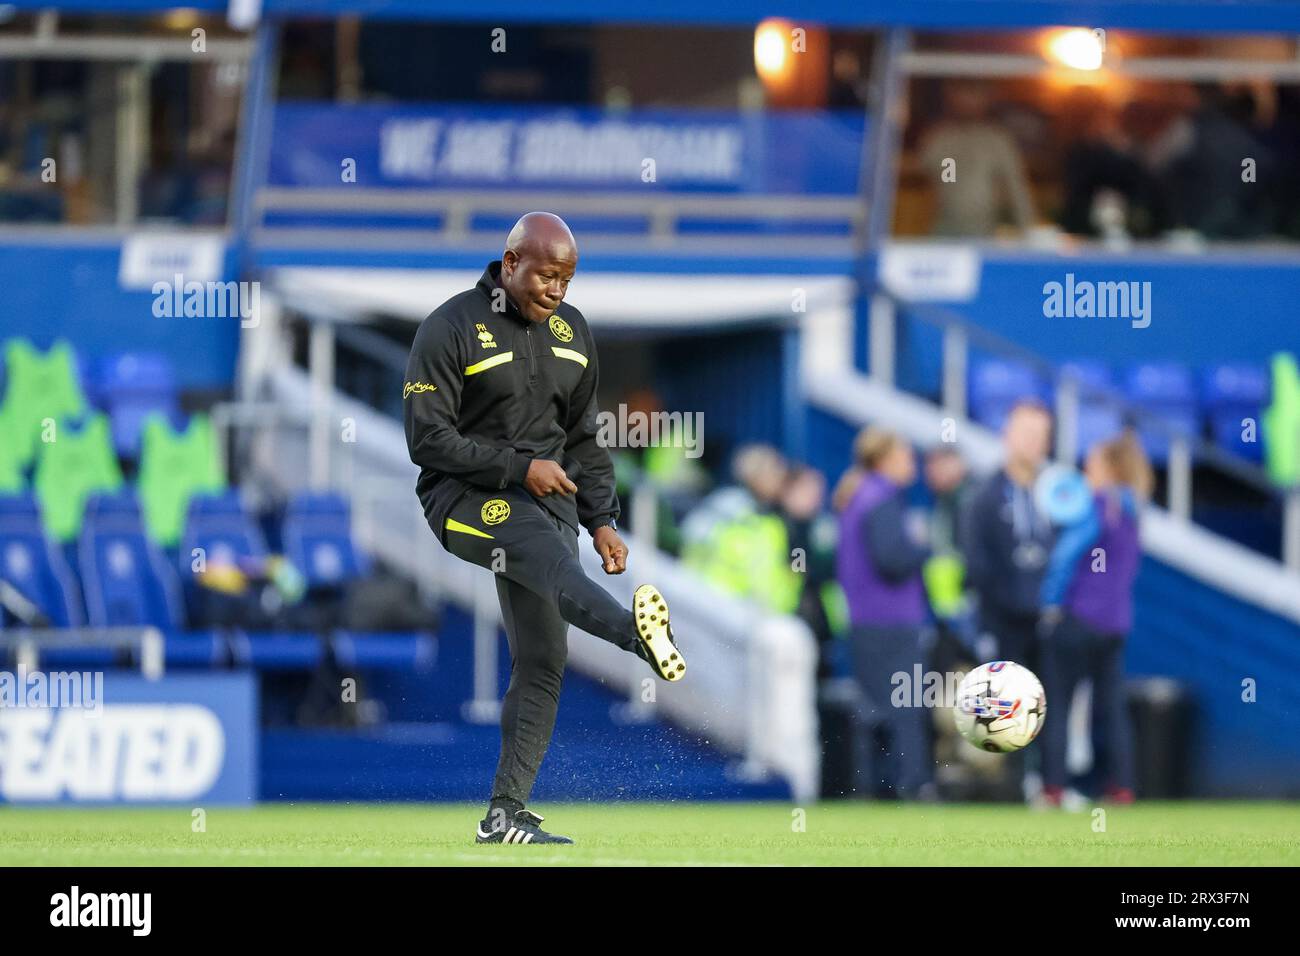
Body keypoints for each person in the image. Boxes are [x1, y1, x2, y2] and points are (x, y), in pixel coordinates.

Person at [403, 212, 685, 846]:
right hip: (465, 499)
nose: (557, 290)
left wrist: (604, 522)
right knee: (548, 564)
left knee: (542, 659)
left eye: (568, 279)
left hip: (552, 502)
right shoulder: (449, 327)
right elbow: (427, 439)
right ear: (510, 265)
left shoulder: (573, 331)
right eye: (547, 276)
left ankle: (504, 816)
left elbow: (583, 438)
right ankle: (638, 639)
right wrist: (517, 468)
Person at [1038, 433, 1151, 807]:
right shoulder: (1134, 512)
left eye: (1093, 464)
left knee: (1058, 703)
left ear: (1110, 469)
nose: (1087, 471)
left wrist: (1049, 602)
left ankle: (1052, 788)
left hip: (1076, 619)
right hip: (1115, 624)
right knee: (1112, 707)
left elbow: (1065, 558)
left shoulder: (1094, 505)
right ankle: (1123, 786)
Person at [836, 427, 934, 799]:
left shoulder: (857, 496)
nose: (913, 463)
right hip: (892, 620)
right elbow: (892, 559)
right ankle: (912, 784)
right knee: (906, 705)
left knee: (875, 708)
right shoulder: (882, 498)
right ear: (885, 459)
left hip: (865, 620)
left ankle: (873, 788)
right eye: (906, 455)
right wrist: (924, 547)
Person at [961, 400, 1055, 671]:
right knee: (1005, 709)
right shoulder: (983, 497)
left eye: (1040, 436)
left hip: (1049, 629)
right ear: (1007, 435)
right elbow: (976, 563)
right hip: (1001, 626)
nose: (1032, 443)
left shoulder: (1060, 495)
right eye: (1026, 434)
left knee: (1049, 708)